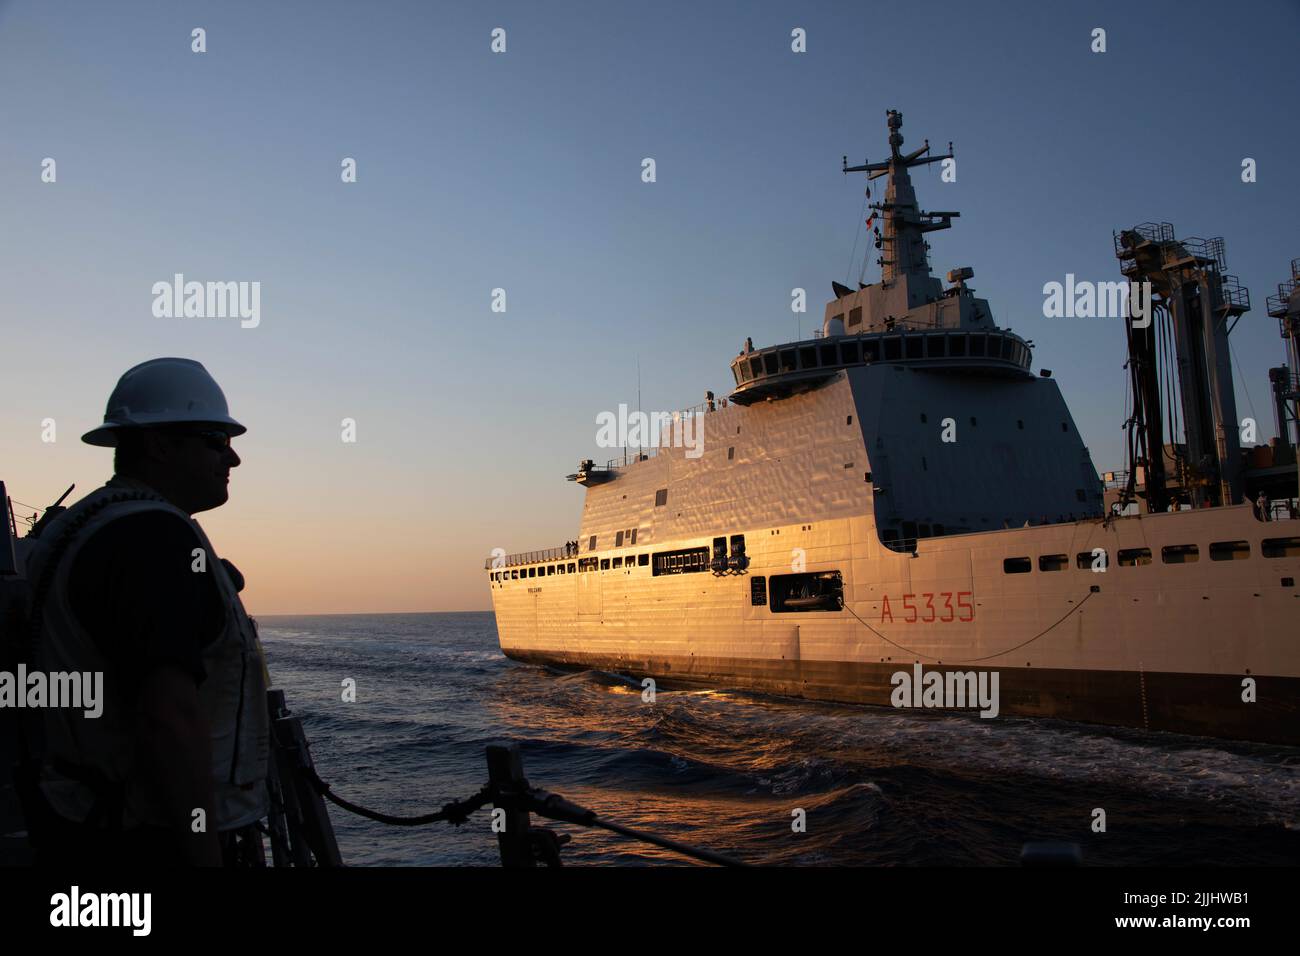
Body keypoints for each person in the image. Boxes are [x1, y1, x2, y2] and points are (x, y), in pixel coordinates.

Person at [20, 358, 269, 867]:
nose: (234, 459)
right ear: (159, 445)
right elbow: (168, 717)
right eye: (216, 441)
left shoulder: (88, 523)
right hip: (145, 840)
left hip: (85, 818)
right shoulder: (149, 537)